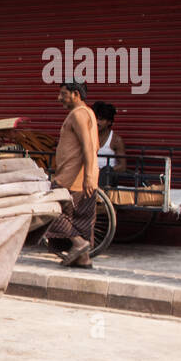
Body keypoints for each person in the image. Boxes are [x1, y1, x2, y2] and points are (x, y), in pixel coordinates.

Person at [44, 81, 100, 267]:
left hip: (71, 179)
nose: (59, 98)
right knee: (81, 220)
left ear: (75, 94)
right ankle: (84, 259)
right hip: (83, 179)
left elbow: (88, 146)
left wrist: (88, 177)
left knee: (48, 211)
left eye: (63, 94)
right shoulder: (88, 113)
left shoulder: (78, 114)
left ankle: (78, 243)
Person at [92, 101, 126, 175]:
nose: (97, 122)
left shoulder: (116, 140)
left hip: (107, 179)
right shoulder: (87, 136)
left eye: (101, 119)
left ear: (109, 122)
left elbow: (122, 166)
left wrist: (104, 172)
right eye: (95, 118)